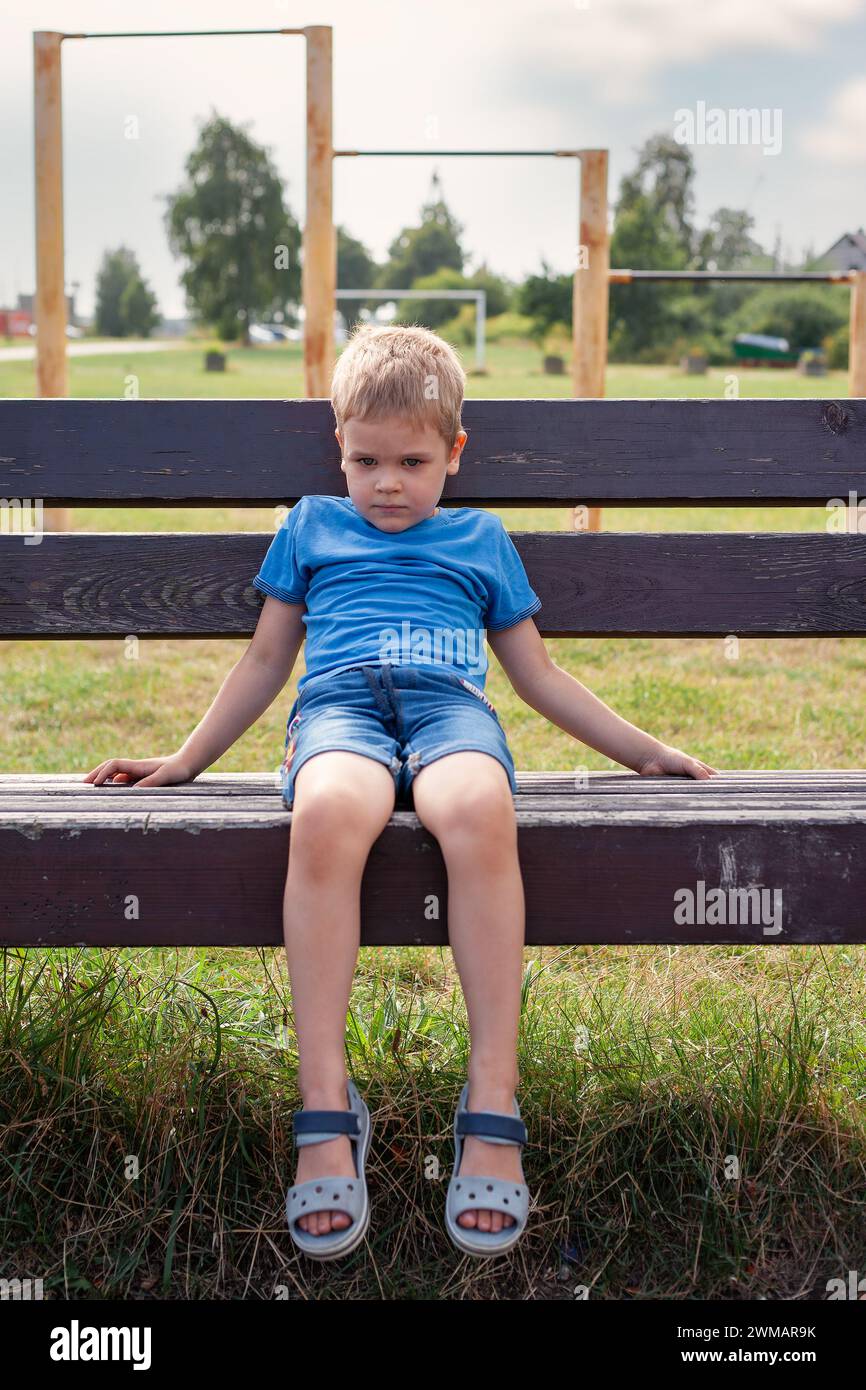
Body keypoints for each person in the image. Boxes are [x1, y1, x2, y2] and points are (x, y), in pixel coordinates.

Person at [83, 323, 718, 1260]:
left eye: (412, 461)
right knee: (330, 811)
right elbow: (266, 659)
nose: (386, 483)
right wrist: (186, 760)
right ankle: (326, 1106)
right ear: (337, 449)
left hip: (451, 712)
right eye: (364, 459)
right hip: (338, 711)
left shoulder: (481, 539)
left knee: (476, 807)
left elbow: (537, 677)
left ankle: (492, 1096)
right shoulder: (311, 525)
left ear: (454, 454)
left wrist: (645, 752)